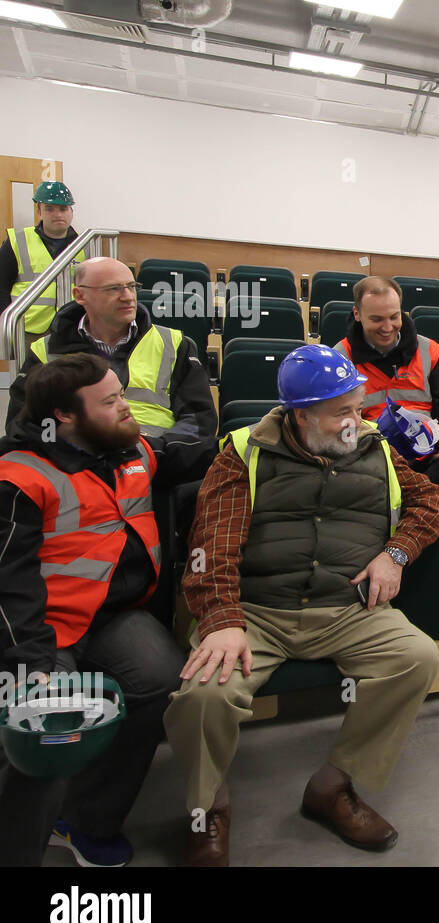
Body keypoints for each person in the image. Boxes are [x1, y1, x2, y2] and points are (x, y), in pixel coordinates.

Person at [164, 345, 439, 866]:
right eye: (341, 412)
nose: (354, 422)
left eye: (357, 407)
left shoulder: (375, 444)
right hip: (256, 612)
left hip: (346, 608)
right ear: (301, 414)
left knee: (419, 657)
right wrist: (222, 622)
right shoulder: (242, 453)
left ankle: (332, 786)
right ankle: (211, 808)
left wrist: (395, 554)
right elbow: (212, 548)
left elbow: (431, 500)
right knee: (203, 696)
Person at [0, 353, 216, 867]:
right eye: (112, 400)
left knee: (165, 682)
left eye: (122, 393)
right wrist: (29, 668)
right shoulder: (18, 476)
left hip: (117, 616)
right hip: (44, 628)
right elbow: (9, 586)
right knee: (46, 729)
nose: (127, 406)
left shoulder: (133, 448)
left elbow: (203, 448)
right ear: (66, 416)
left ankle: (86, 820)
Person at [6, 257, 216, 442]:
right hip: (72, 471)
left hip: (157, 465)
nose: (128, 297)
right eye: (113, 289)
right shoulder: (45, 351)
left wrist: (157, 453)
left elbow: (198, 421)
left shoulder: (175, 343)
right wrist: (63, 454)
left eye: (131, 286)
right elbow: (25, 424)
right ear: (80, 296)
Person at [334, 276, 439, 493]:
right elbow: (337, 422)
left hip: (431, 457)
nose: (388, 327)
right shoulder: (340, 359)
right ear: (357, 315)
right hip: (369, 457)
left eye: (394, 316)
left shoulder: (430, 350)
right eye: (377, 319)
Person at [1, 181, 85, 337]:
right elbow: (1, 287)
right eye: (49, 209)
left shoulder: (85, 244)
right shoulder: (17, 240)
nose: (58, 214)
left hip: (70, 328)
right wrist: (6, 324)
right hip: (27, 329)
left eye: (63, 209)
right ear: (39, 212)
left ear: (71, 211)